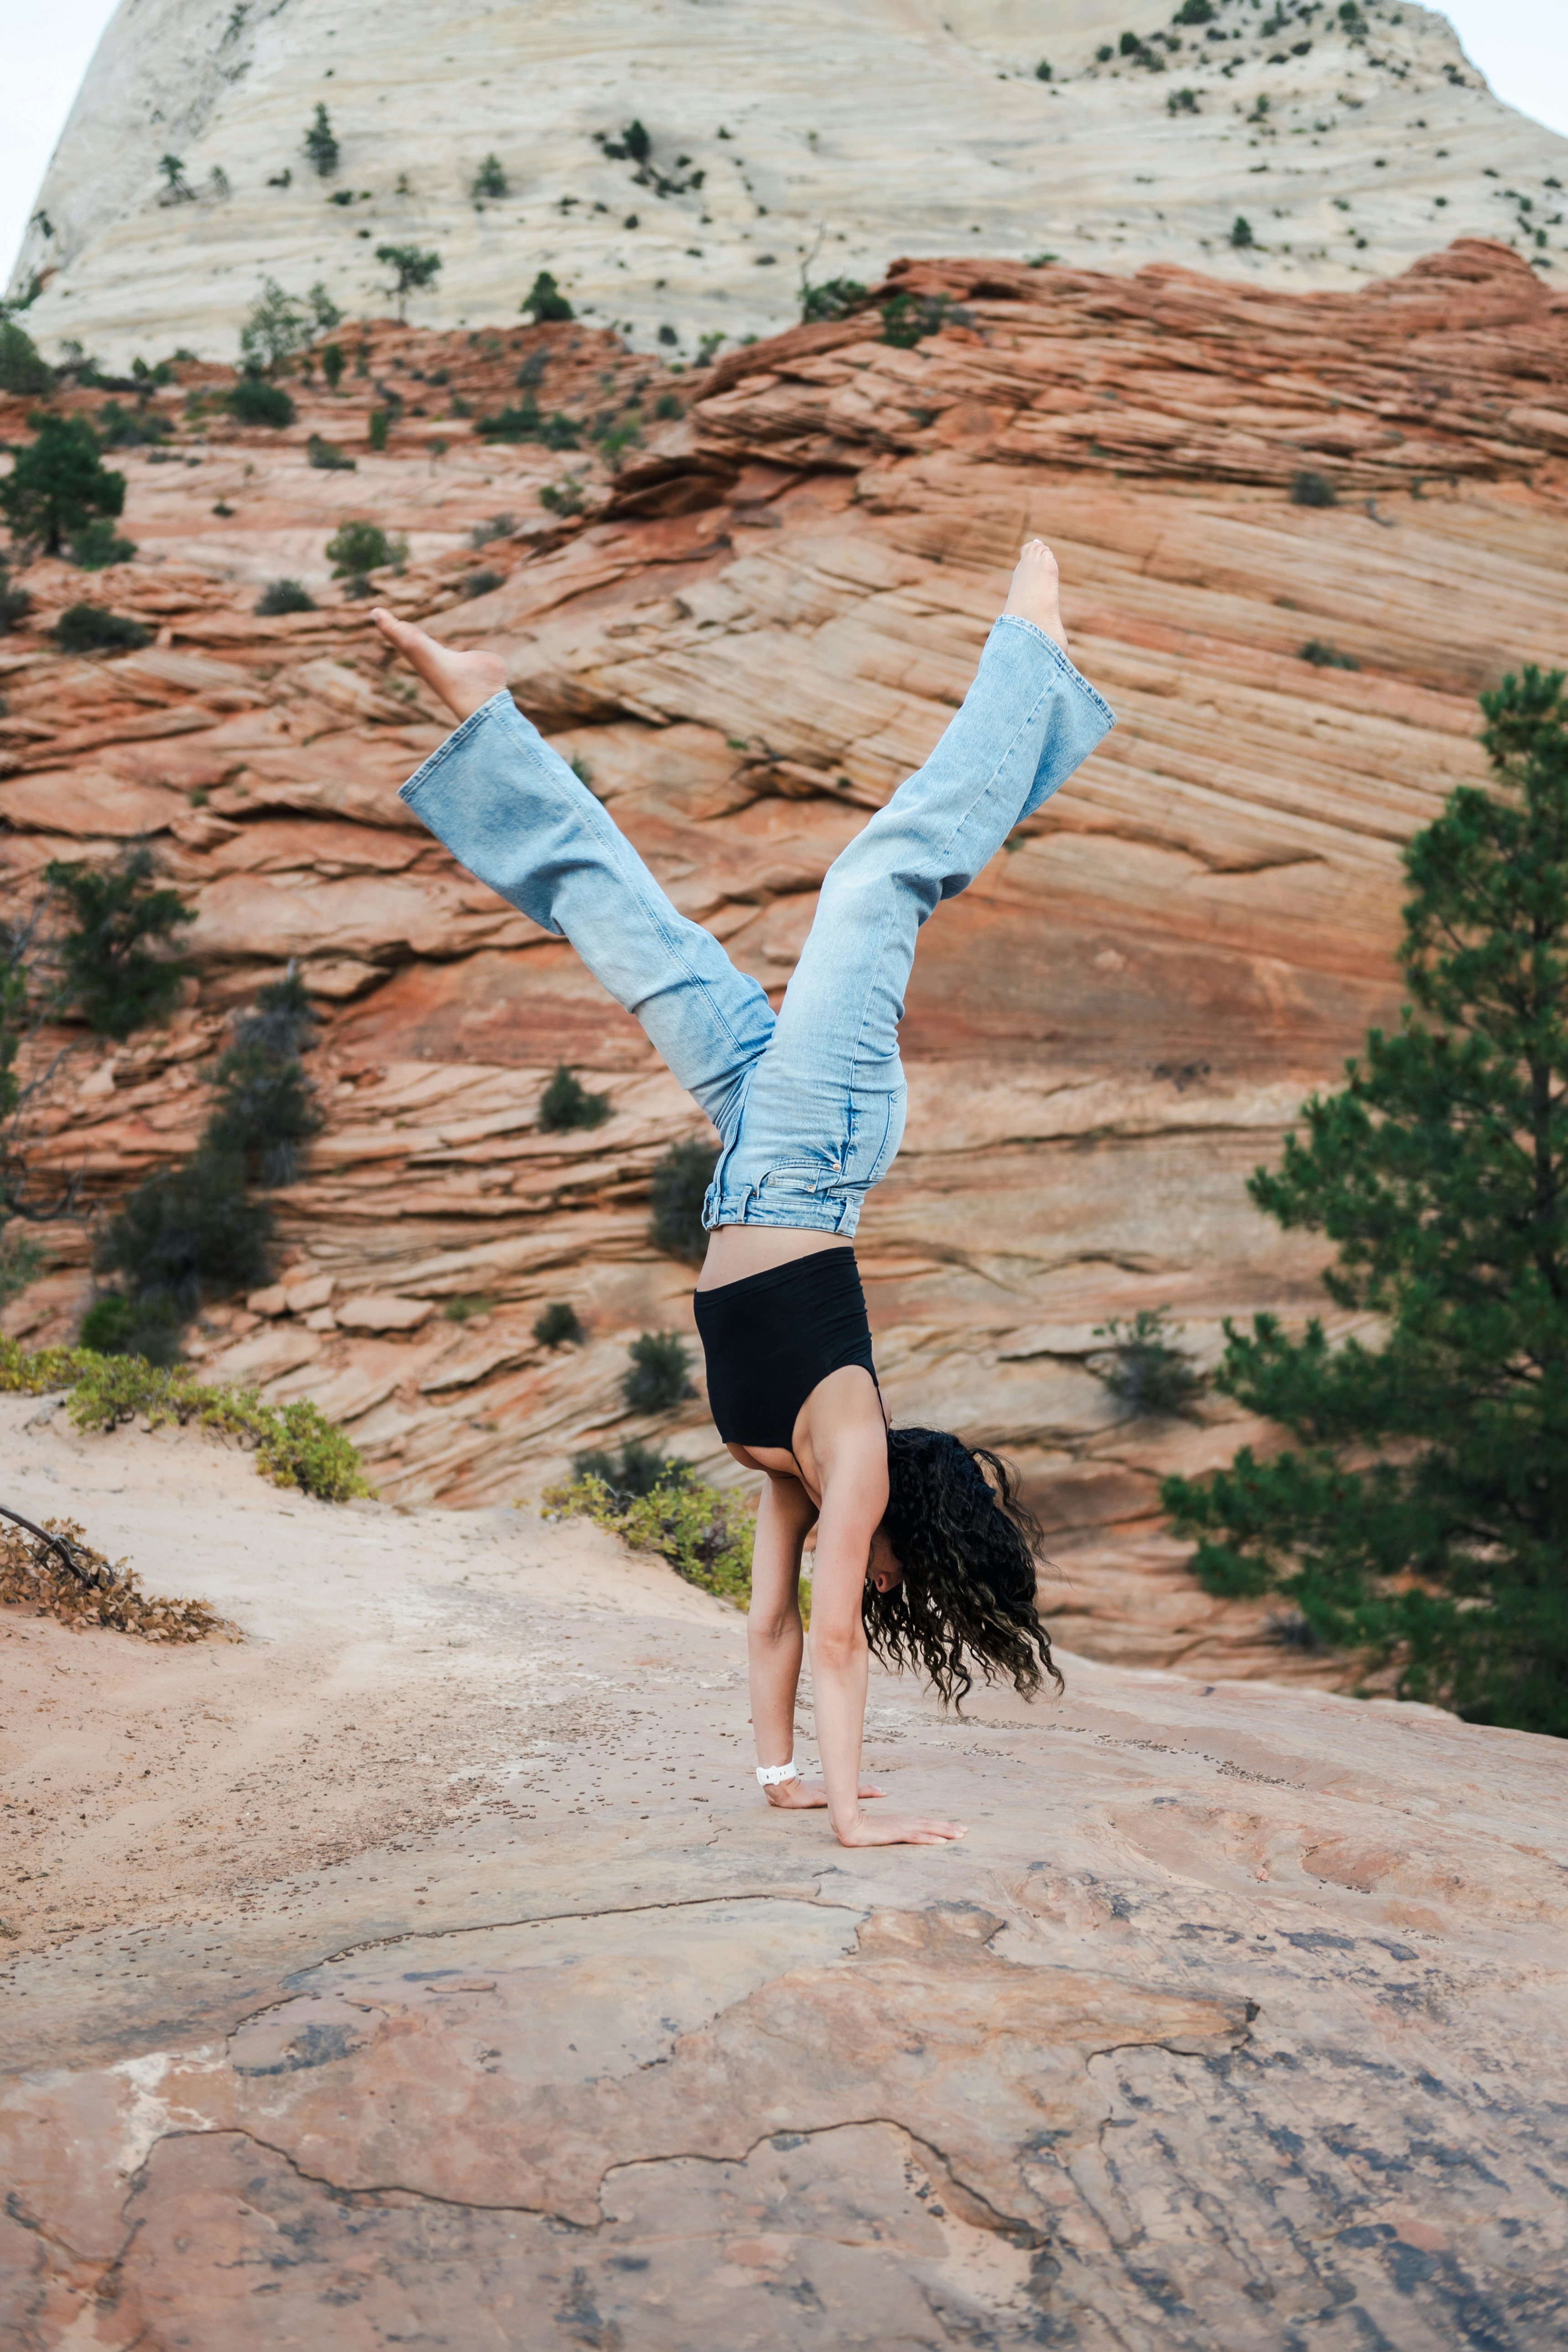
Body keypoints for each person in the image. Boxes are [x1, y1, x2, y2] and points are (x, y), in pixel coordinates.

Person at [373, 540, 1114, 1848]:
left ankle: (484, 716)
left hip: (754, 1153)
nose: (869, 1585)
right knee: (875, 882)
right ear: (910, 1544)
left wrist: (785, 1783)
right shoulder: (858, 1459)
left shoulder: (803, 1472)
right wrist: (853, 1824)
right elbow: (836, 1640)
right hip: (816, 1150)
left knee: (630, 932)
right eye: (893, 1578)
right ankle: (1032, 668)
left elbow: (773, 1622)